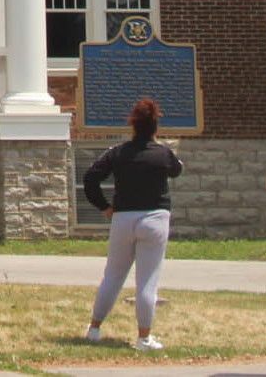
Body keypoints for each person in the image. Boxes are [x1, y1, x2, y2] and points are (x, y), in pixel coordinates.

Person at [82, 97, 184, 352]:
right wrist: (160, 144)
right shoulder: (162, 153)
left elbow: (90, 177)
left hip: (123, 218)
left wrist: (104, 206)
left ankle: (94, 328)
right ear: (155, 127)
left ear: (133, 126)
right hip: (155, 218)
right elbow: (177, 170)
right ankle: (144, 338)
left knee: (113, 276)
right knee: (147, 281)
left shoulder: (118, 152)